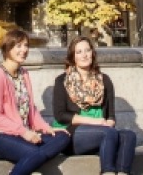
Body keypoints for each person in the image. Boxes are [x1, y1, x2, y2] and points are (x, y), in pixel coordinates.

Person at [0, 29, 71, 175]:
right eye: (19, 46)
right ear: (8, 48)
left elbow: (31, 109)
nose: (24, 50)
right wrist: (25, 132)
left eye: (26, 45)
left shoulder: (24, 73)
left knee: (63, 137)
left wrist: (48, 129)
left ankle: (27, 162)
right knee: (35, 153)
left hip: (21, 135)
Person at [51, 36, 137, 175]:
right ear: (73, 57)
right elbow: (60, 115)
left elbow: (111, 115)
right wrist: (95, 122)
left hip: (102, 132)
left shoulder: (104, 80)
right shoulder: (62, 80)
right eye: (79, 52)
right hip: (72, 134)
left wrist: (109, 122)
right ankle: (107, 172)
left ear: (92, 53)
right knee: (107, 132)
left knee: (129, 136)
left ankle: (122, 173)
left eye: (87, 50)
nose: (84, 55)